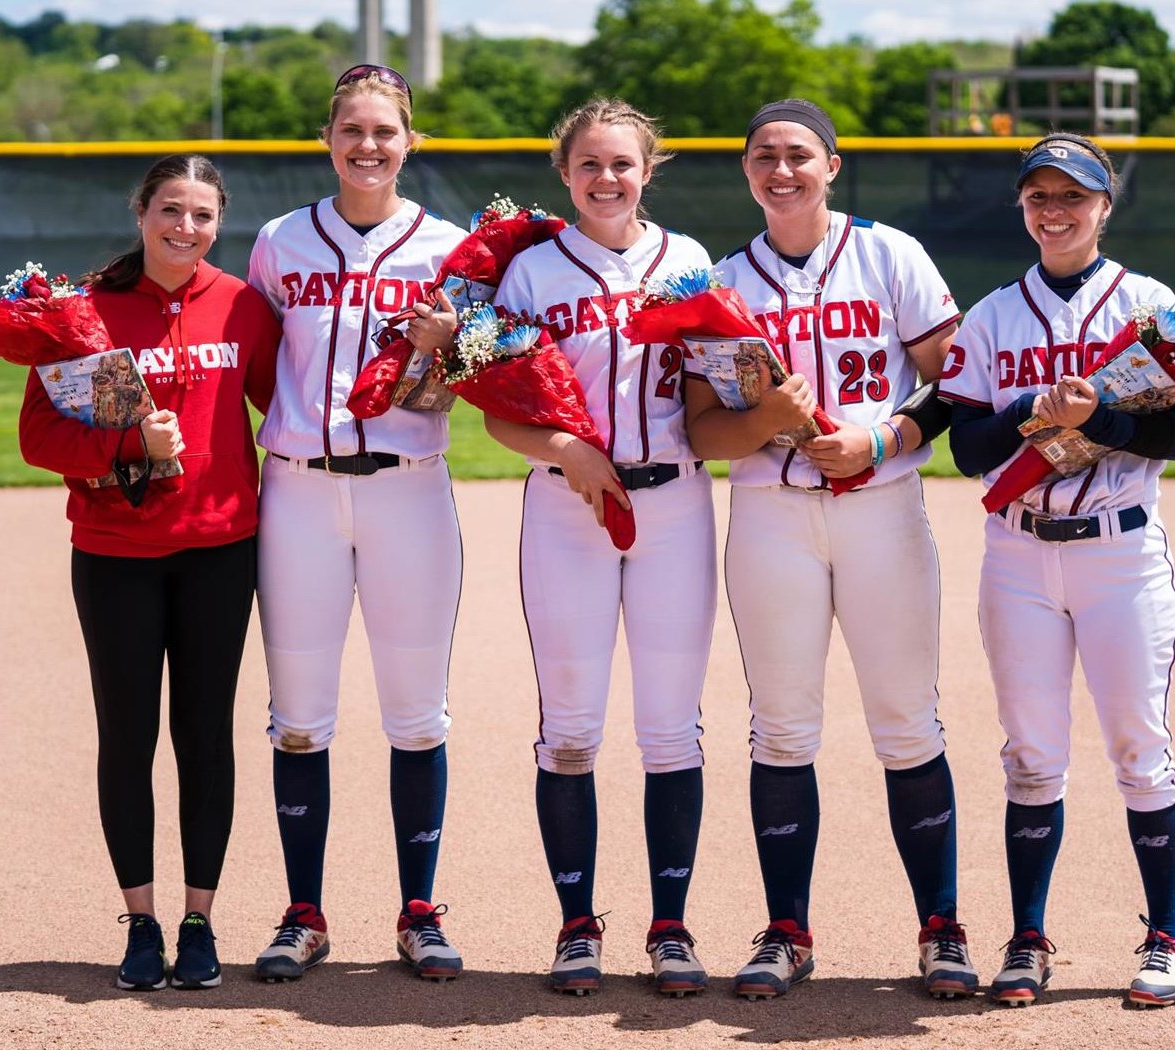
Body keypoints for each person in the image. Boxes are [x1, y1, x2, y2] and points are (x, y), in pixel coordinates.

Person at [683, 99, 971, 1002]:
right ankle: (787, 929)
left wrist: (883, 439)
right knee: (782, 727)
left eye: (799, 154)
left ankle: (941, 926)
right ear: (745, 169)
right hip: (772, 514)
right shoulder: (723, 283)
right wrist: (766, 421)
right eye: (763, 154)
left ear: (832, 165)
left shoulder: (889, 253)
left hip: (881, 507)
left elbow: (956, 380)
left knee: (905, 721)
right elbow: (703, 431)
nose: (782, 169)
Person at [938, 132, 1175, 1008]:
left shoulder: (1150, 304)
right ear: (1022, 207)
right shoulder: (992, 316)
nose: (1055, 211)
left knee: (1140, 751)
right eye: (1039, 196)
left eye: (1072, 197)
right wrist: (1027, 410)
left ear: (1104, 206)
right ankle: (1027, 938)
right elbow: (967, 448)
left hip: (1120, 552)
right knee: (1031, 756)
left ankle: (1164, 937)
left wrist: (1106, 418)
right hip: (1018, 555)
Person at [17, 154, 282, 991]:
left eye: (203, 216)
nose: (187, 229)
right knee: (128, 739)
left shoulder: (244, 306)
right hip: (115, 552)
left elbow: (289, 408)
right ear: (140, 212)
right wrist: (133, 443)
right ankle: (140, 919)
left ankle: (200, 918)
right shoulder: (85, 314)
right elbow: (40, 437)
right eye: (172, 210)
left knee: (204, 738)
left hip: (219, 546)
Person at [244, 64, 468, 985]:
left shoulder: (451, 248)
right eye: (353, 131)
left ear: (410, 141)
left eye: (386, 132)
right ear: (328, 140)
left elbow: (484, 378)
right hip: (298, 490)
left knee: (416, 715)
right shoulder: (279, 241)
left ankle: (419, 909)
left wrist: (451, 345)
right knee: (299, 718)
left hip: (408, 488)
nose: (368, 146)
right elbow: (256, 362)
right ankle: (305, 910)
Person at [489, 99, 719, 997]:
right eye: (589, 164)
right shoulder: (533, 273)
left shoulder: (690, 261)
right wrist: (565, 450)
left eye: (622, 163)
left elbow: (720, 387)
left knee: (670, 727)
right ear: (564, 173)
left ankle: (670, 926)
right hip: (565, 507)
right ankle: (576, 925)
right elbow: (504, 409)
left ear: (648, 169)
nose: (606, 178)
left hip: (673, 505)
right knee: (573, 728)